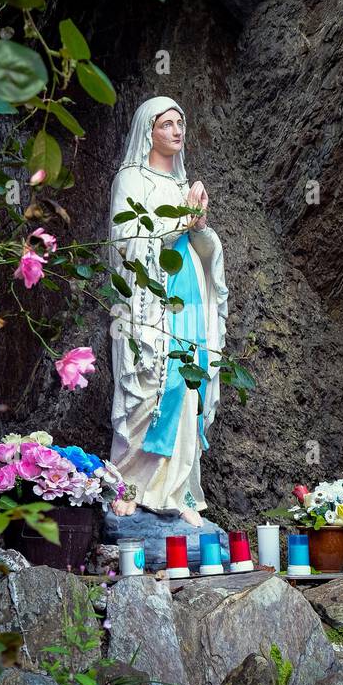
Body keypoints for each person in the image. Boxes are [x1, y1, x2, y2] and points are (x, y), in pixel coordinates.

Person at [107, 97, 228, 526]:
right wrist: (181, 221)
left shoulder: (181, 187)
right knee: (151, 381)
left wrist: (199, 226)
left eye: (181, 123)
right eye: (167, 124)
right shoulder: (130, 180)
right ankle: (130, 484)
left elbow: (202, 249)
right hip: (151, 298)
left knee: (187, 377)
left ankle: (175, 489)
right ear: (148, 131)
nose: (177, 131)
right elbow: (126, 245)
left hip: (189, 291)